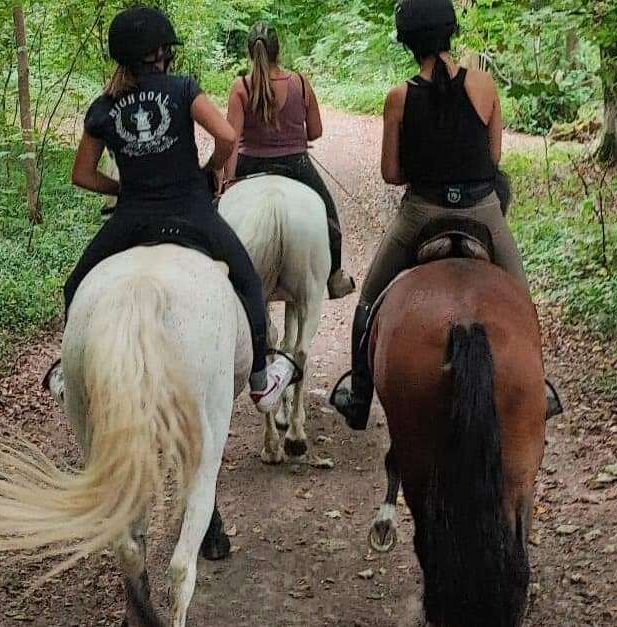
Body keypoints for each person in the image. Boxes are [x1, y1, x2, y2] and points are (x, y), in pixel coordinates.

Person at [330, 0, 562, 429]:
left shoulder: (399, 97)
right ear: (450, 34)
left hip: (422, 213)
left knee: (368, 299)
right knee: (522, 301)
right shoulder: (485, 86)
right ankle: (540, 387)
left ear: (408, 44)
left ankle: (360, 394)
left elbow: (391, 173)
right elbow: (493, 158)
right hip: (483, 212)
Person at [60, 6, 295, 412]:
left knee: (74, 285)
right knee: (248, 281)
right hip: (191, 210)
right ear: (160, 53)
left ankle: (67, 373)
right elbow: (225, 135)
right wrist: (211, 169)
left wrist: (122, 187)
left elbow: (82, 174)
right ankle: (261, 379)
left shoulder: (103, 107)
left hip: (131, 217)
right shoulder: (184, 88)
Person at [221, 21, 356, 300]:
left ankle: (222, 275)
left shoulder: (241, 87)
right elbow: (316, 131)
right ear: (278, 51)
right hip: (297, 165)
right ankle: (335, 278)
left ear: (250, 52)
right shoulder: (300, 82)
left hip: (250, 165)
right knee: (330, 219)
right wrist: (294, 135)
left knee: (218, 221)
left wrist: (228, 181)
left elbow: (232, 142)